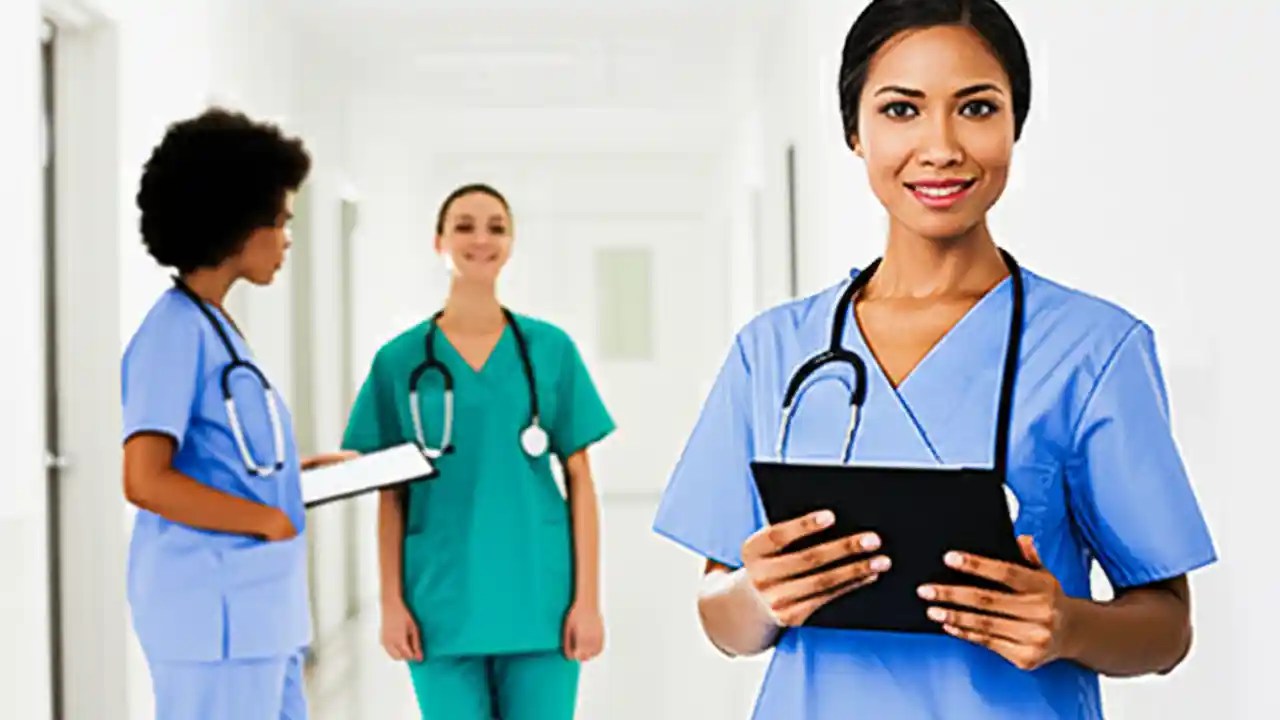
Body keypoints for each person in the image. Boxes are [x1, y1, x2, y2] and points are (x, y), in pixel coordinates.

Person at [651, 1, 1217, 718]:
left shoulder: (1093, 349)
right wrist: (757, 595)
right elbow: (721, 617)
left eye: (977, 107)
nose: (941, 146)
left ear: (1016, 122)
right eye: (901, 110)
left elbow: (1167, 628)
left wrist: (1068, 625)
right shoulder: (773, 351)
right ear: (854, 132)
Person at [341, 183, 615, 719]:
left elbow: (580, 479)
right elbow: (390, 493)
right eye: (464, 225)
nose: (480, 239)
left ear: (511, 242)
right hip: (441, 599)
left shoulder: (549, 349)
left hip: (539, 596)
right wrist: (391, 602)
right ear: (438, 240)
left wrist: (587, 600)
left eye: (496, 226)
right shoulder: (399, 361)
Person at [121, 108, 354, 720]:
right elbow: (145, 479)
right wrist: (267, 518)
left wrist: (299, 475)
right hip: (210, 617)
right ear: (235, 225)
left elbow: (224, 463)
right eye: (279, 221)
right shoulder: (172, 332)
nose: (286, 239)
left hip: (256, 617)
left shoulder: (217, 329)